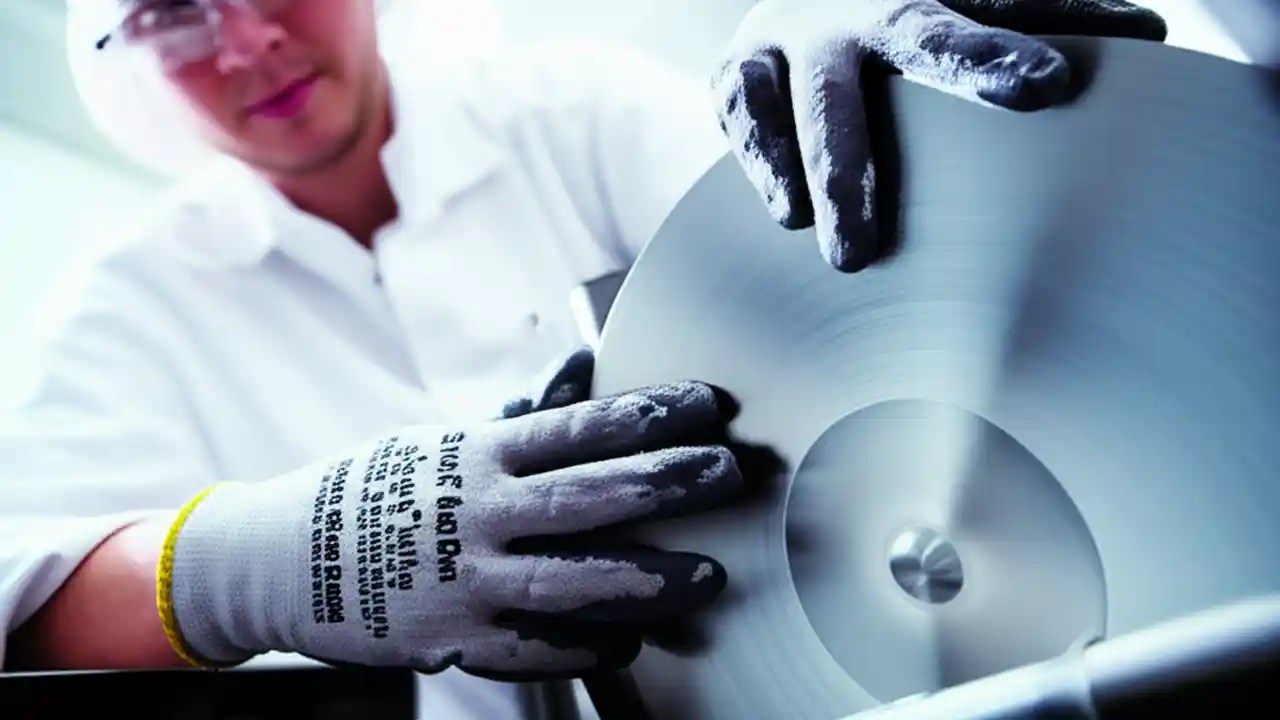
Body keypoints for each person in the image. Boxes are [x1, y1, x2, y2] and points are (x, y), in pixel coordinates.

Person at [0, 0, 1167, 718]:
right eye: (174, 12)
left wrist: (878, 87)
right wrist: (281, 562)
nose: (251, 35)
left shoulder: (572, 116)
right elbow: (19, 595)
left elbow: (860, 273)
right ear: (118, 60)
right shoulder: (129, 309)